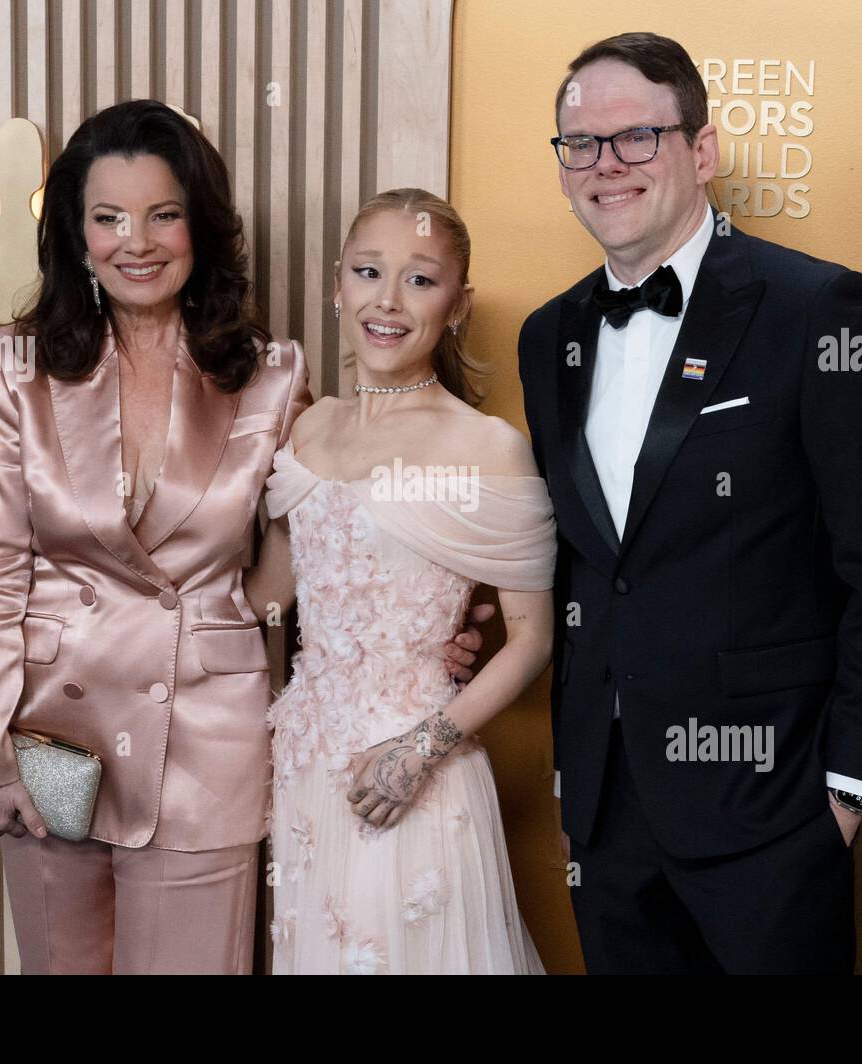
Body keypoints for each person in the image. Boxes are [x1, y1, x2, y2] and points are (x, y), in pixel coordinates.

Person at [0, 101, 486, 974]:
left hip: (204, 747)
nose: (136, 242)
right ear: (78, 235)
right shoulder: (17, 369)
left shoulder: (272, 375)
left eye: (163, 215)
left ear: (200, 226)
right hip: (50, 745)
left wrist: (454, 624)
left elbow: (336, 530)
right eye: (107, 218)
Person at [517, 33, 862, 973]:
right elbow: (586, 559)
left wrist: (847, 793)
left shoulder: (819, 307)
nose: (604, 166)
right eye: (579, 144)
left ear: (700, 152)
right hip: (606, 814)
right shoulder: (549, 335)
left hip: (774, 809)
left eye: (636, 138)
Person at [246, 189, 555, 974]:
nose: (387, 301)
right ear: (338, 285)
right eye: (368, 271)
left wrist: (419, 750)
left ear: (459, 305)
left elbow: (531, 638)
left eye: (420, 280)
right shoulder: (309, 426)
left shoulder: (488, 447)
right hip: (306, 768)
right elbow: (270, 593)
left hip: (415, 774)